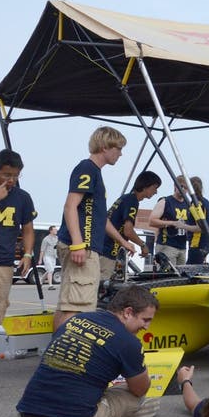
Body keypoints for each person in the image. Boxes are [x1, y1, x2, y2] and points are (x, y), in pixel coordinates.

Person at [16, 285, 160, 417]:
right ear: (128, 312)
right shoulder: (129, 342)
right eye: (145, 320)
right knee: (135, 396)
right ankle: (124, 413)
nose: (147, 327)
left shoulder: (76, 319)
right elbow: (140, 389)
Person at [55, 127, 137, 330]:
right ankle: (65, 353)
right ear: (104, 146)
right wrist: (77, 244)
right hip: (82, 246)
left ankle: (60, 350)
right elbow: (70, 206)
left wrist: (123, 241)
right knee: (76, 306)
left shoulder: (95, 173)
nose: (120, 153)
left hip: (88, 246)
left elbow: (101, 219)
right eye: (118, 148)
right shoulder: (87, 168)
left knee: (71, 302)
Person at [0, 150, 37, 346]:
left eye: (16, 175)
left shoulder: (23, 198)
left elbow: (28, 229)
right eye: (6, 174)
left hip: (4, 263)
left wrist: (27, 254)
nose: (11, 180)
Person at [100, 171, 161, 282]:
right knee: (101, 288)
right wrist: (143, 245)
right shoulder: (132, 201)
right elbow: (128, 230)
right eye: (154, 187)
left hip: (102, 248)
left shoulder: (125, 198)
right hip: (107, 252)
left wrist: (126, 243)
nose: (156, 192)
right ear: (145, 186)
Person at [149, 176, 193, 266]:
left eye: (186, 187)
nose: (183, 189)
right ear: (175, 186)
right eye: (181, 186)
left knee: (181, 277)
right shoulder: (166, 201)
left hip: (183, 247)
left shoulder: (188, 204)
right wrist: (171, 223)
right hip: (167, 245)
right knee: (167, 276)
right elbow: (152, 221)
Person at [186, 176, 209, 265]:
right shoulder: (206, 202)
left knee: (191, 270)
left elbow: (200, 227)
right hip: (206, 243)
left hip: (196, 243)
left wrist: (182, 225)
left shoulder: (195, 204)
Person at [39, 225, 58, 289]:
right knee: (50, 270)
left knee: (50, 270)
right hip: (47, 256)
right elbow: (42, 250)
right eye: (54, 230)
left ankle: (41, 280)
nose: (56, 231)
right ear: (50, 231)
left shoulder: (57, 238)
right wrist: (40, 259)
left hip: (54, 257)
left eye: (56, 229)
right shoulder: (46, 239)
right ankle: (50, 285)